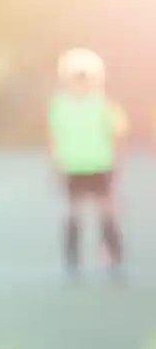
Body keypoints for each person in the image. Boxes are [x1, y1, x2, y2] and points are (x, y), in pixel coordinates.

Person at [48, 48, 128, 282]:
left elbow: (117, 134)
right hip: (74, 167)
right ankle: (72, 261)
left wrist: (117, 163)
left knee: (106, 213)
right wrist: (57, 163)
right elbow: (54, 137)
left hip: (100, 166)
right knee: (74, 214)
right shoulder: (60, 105)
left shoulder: (103, 104)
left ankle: (113, 259)